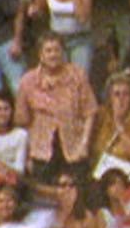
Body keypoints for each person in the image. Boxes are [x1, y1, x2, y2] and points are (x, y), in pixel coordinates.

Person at [14, 33, 98, 188]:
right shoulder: (28, 81)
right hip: (40, 149)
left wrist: (84, 144)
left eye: (57, 50)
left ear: (63, 53)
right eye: (48, 51)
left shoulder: (77, 76)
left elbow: (90, 112)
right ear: (40, 55)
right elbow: (22, 121)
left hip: (73, 147)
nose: (53, 55)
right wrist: (26, 157)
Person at [91, 74, 130, 182]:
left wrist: (119, 124)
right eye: (117, 94)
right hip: (103, 178)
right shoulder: (101, 116)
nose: (121, 99)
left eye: (126, 94)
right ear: (109, 98)